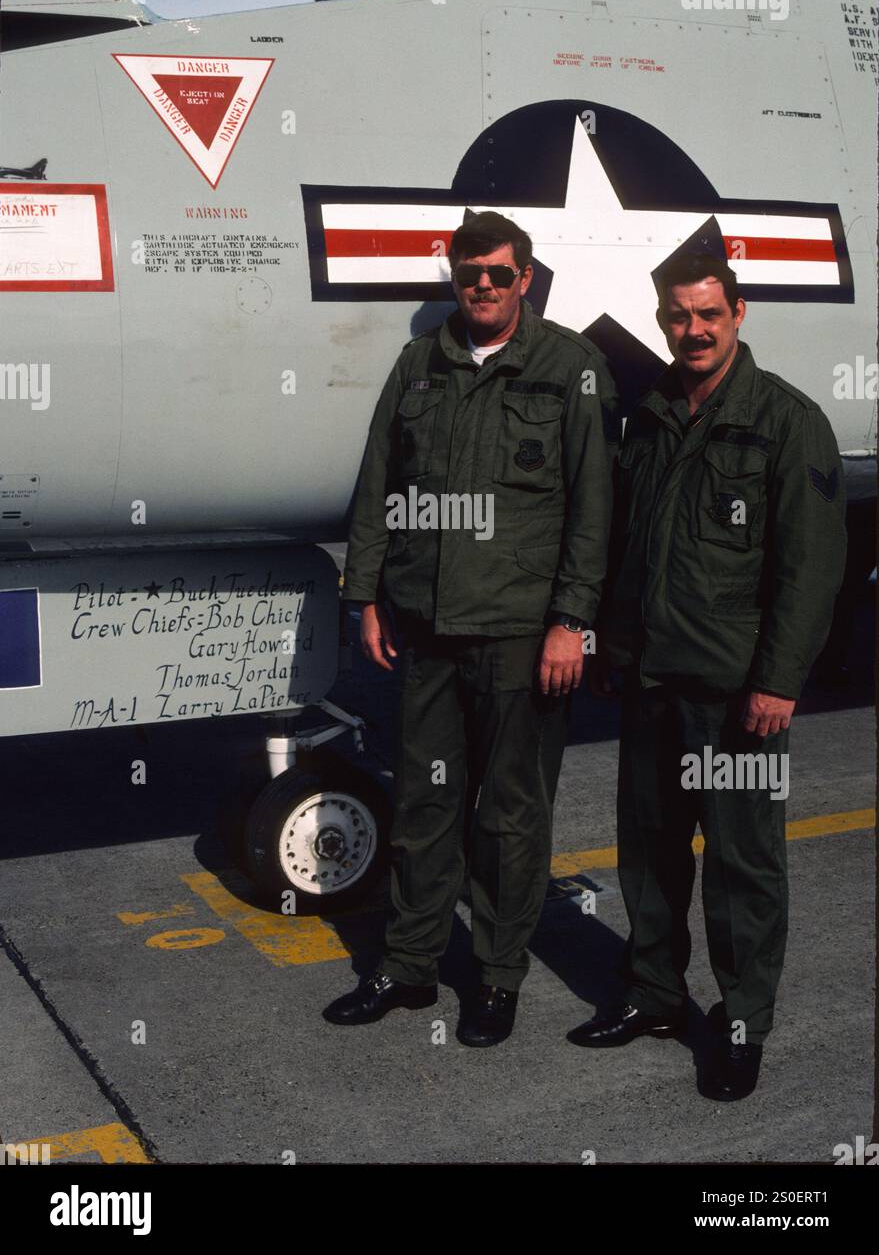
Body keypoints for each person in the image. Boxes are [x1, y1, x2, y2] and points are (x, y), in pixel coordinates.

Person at [324, 211, 618, 1045]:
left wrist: (572, 622)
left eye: (497, 272)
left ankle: (495, 977)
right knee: (423, 803)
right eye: (467, 272)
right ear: (451, 275)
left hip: (522, 634)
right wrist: (365, 595)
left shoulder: (570, 369)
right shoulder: (420, 364)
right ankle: (409, 967)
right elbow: (378, 481)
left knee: (510, 816)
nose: (481, 285)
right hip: (426, 629)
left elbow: (594, 509)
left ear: (525, 277)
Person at [569, 252, 846, 1100]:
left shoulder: (785, 422)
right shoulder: (649, 416)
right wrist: (613, 648)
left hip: (736, 696)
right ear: (661, 319)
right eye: (677, 316)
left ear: (737, 313)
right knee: (649, 854)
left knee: (740, 867)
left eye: (708, 314)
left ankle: (738, 1024)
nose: (692, 330)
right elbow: (631, 547)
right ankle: (654, 995)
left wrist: (778, 682)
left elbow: (809, 569)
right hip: (654, 681)